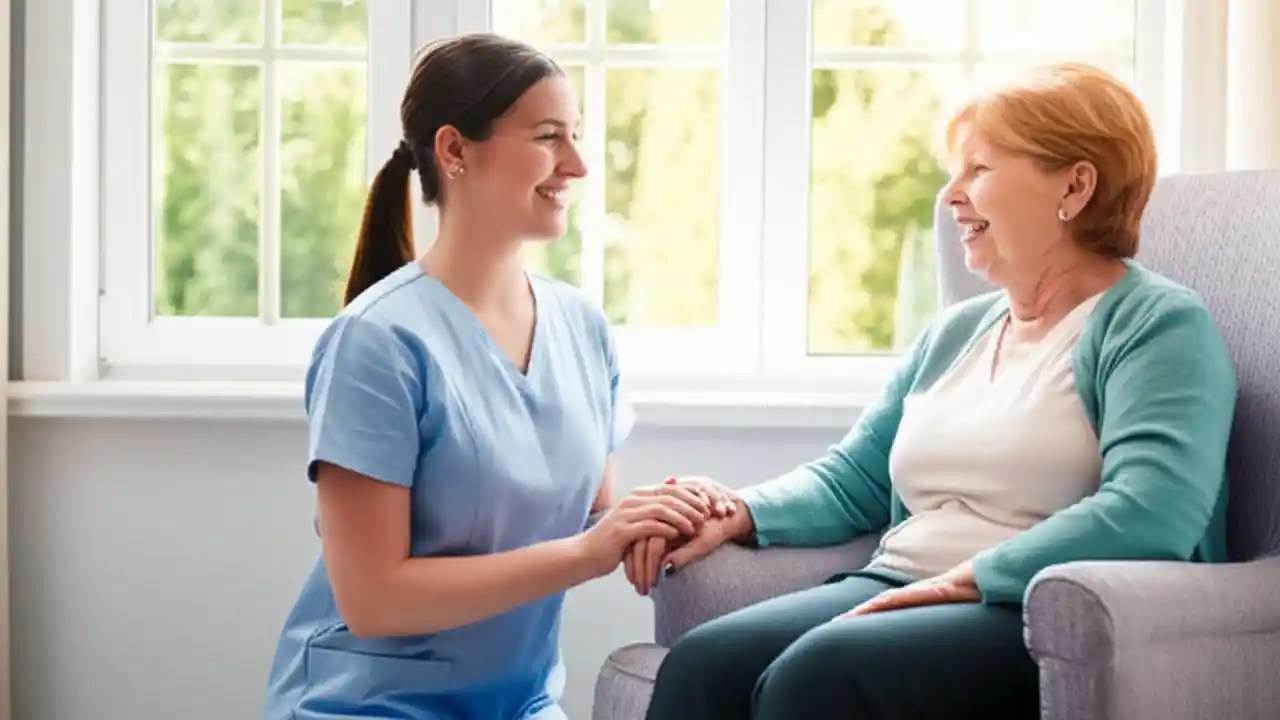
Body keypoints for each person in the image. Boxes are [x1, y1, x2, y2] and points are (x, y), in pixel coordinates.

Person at [632, 62, 1238, 719]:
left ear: (1076, 183)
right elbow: (853, 479)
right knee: (704, 665)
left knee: (820, 678)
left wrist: (973, 577)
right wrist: (735, 510)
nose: (951, 195)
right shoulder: (958, 332)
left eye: (979, 169)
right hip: (903, 584)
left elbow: (1155, 511)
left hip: (1031, 610)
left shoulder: (1158, 325)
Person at [260, 33, 732, 720]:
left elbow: (594, 513)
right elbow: (372, 598)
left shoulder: (582, 328)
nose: (578, 164)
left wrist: (676, 507)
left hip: (520, 704)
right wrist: (586, 552)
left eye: (576, 136)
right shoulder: (376, 342)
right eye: (548, 137)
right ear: (454, 151)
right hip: (372, 705)